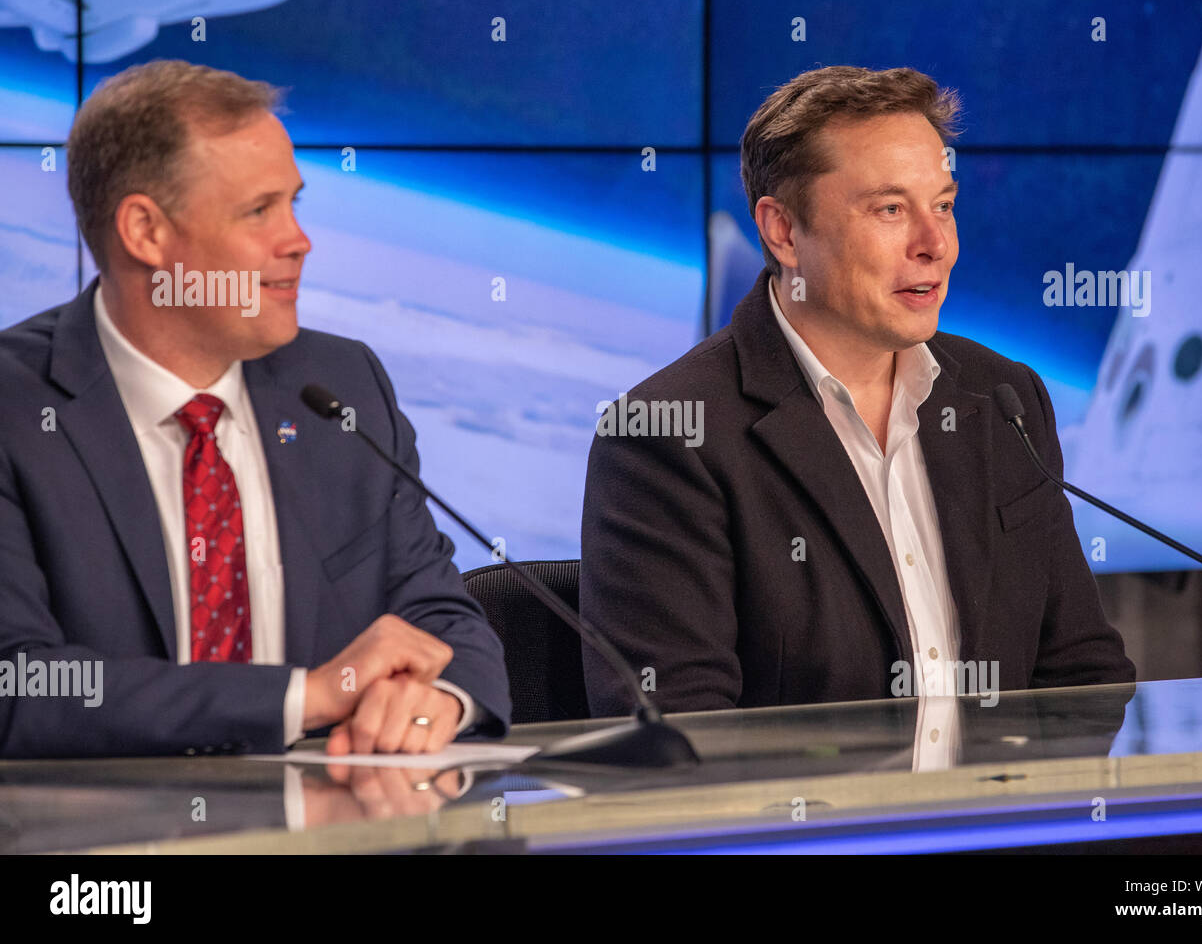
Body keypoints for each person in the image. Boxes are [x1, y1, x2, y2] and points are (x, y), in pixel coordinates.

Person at [580, 66, 1135, 717]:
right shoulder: (667, 436)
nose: (936, 244)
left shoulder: (1005, 399)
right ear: (784, 231)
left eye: (944, 205)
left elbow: (1083, 675)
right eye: (890, 209)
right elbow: (681, 729)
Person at [0, 60, 510, 758]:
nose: (298, 240)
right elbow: (19, 685)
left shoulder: (344, 387)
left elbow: (443, 620)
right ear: (146, 232)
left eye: (294, 204)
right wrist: (304, 698)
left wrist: (437, 698)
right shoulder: (16, 409)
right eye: (259, 210)